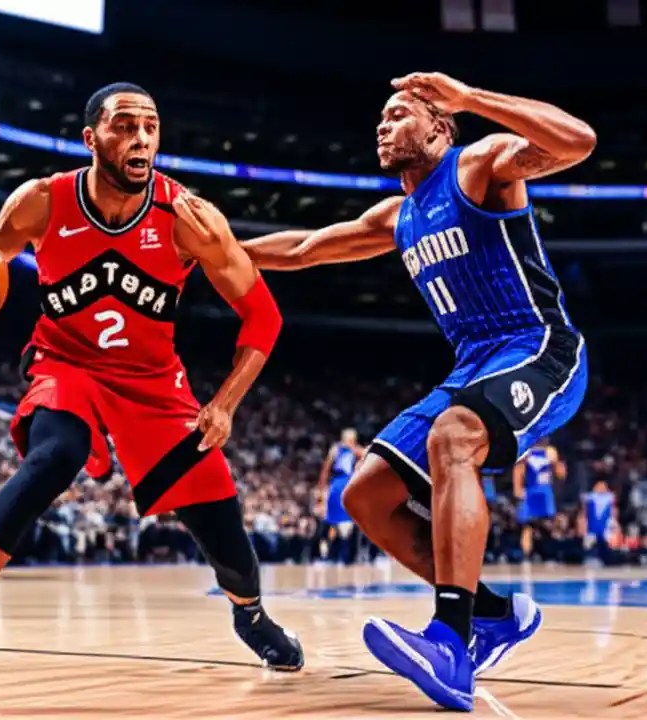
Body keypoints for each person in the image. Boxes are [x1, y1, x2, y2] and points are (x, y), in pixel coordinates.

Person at [0, 82, 302, 710]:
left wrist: (226, 403)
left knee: (228, 542)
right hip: (66, 365)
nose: (142, 139)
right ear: (92, 138)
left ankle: (252, 615)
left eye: (151, 126)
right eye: (125, 125)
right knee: (55, 456)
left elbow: (263, 318)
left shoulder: (191, 219)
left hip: (156, 387)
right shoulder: (43, 203)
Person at [242, 72, 595, 710]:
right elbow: (303, 249)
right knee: (366, 494)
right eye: (380, 117)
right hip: (471, 367)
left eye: (399, 113)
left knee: (453, 434)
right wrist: (212, 255)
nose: (382, 125)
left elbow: (579, 141)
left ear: (438, 126)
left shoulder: (480, 165)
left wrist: (474, 99)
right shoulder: (398, 214)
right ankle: (493, 613)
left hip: (538, 349)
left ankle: (450, 643)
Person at [513, 438, 564, 560]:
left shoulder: (550, 451)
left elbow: (560, 474)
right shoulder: (527, 451)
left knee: (548, 523)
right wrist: (518, 488)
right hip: (531, 491)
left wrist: (555, 462)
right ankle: (526, 554)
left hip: (545, 491)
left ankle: (548, 551)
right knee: (528, 524)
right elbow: (519, 470)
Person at [318, 428, 362, 562]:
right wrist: (321, 487)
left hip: (350, 483)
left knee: (349, 523)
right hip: (337, 484)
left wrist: (353, 449)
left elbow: (364, 454)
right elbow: (326, 468)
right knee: (333, 520)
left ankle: (347, 555)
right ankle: (327, 550)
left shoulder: (356, 450)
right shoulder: (336, 449)